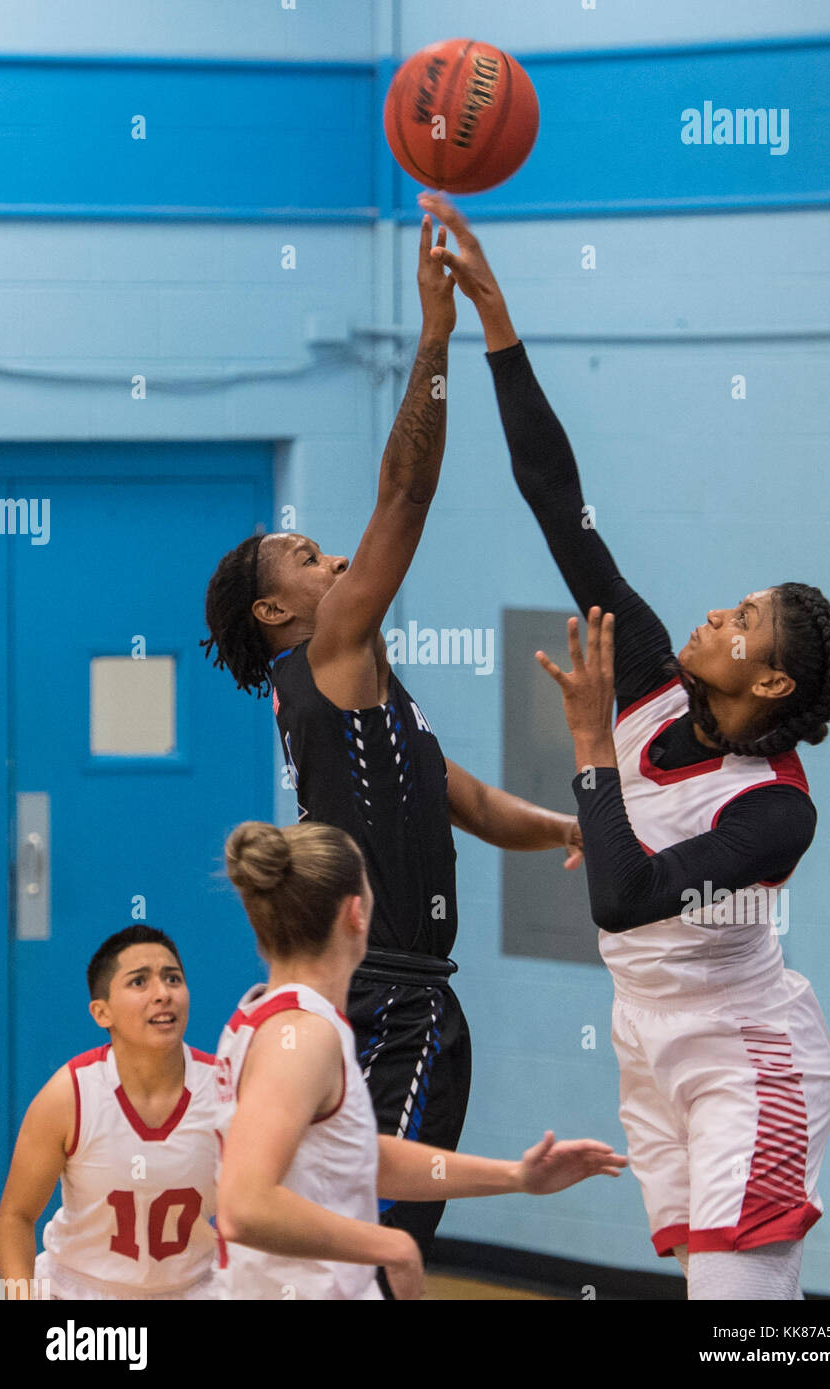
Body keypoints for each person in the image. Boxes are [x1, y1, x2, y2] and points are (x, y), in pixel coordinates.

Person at [419, 190, 830, 1301]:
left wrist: (585, 751)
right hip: (647, 1042)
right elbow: (559, 503)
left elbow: (621, 898)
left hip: (746, 1056)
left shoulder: (775, 810)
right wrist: (497, 326)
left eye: (743, 621)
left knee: (740, 1316)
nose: (716, 615)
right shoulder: (655, 670)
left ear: (771, 681)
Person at [201, 209, 585, 1267]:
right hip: (393, 998)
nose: (332, 566)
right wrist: (435, 334)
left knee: (354, 1237)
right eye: (308, 558)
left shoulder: (365, 697)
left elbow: (463, 797)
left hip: (399, 988)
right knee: (375, 1246)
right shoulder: (326, 651)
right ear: (278, 613)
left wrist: (571, 824)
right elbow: (407, 493)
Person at [215, 817, 627, 1300]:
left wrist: (516, 1176)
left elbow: (355, 1157)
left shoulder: (273, 1016)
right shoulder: (301, 1035)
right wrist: (392, 1246)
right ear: (357, 912)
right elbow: (244, 1207)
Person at [0, 926, 219, 1300]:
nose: (163, 994)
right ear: (102, 1012)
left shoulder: (225, 1090)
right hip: (74, 1292)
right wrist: (21, 1297)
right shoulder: (69, 1095)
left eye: (173, 978)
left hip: (193, 1290)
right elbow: (15, 1218)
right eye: (139, 982)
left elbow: (258, 1215)